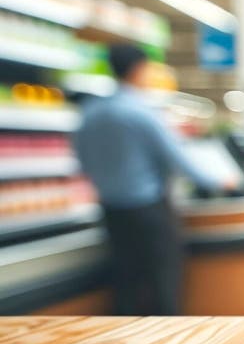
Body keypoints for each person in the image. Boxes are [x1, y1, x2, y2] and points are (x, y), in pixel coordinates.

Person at [73, 44, 232, 316]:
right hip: (149, 211)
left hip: (111, 210)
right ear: (138, 70)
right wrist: (219, 181)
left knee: (125, 281)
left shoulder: (90, 113)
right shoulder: (141, 112)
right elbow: (177, 157)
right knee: (163, 283)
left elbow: (83, 160)